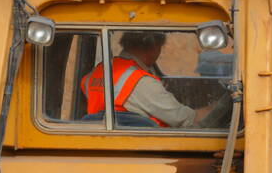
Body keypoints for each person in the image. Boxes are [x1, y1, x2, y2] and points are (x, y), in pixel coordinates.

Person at [80, 32, 219, 128]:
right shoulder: (141, 82)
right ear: (153, 48)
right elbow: (186, 119)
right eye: (160, 48)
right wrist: (219, 107)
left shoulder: (95, 73)